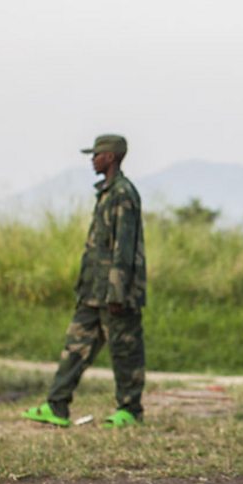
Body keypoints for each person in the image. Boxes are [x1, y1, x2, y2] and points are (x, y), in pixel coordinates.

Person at [24, 134, 147, 428]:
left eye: (97, 154)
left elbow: (124, 247)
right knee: (75, 347)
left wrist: (116, 292)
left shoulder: (123, 193)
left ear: (111, 157)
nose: (92, 159)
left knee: (124, 351)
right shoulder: (105, 192)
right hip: (93, 291)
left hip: (115, 293)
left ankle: (130, 411)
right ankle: (56, 406)